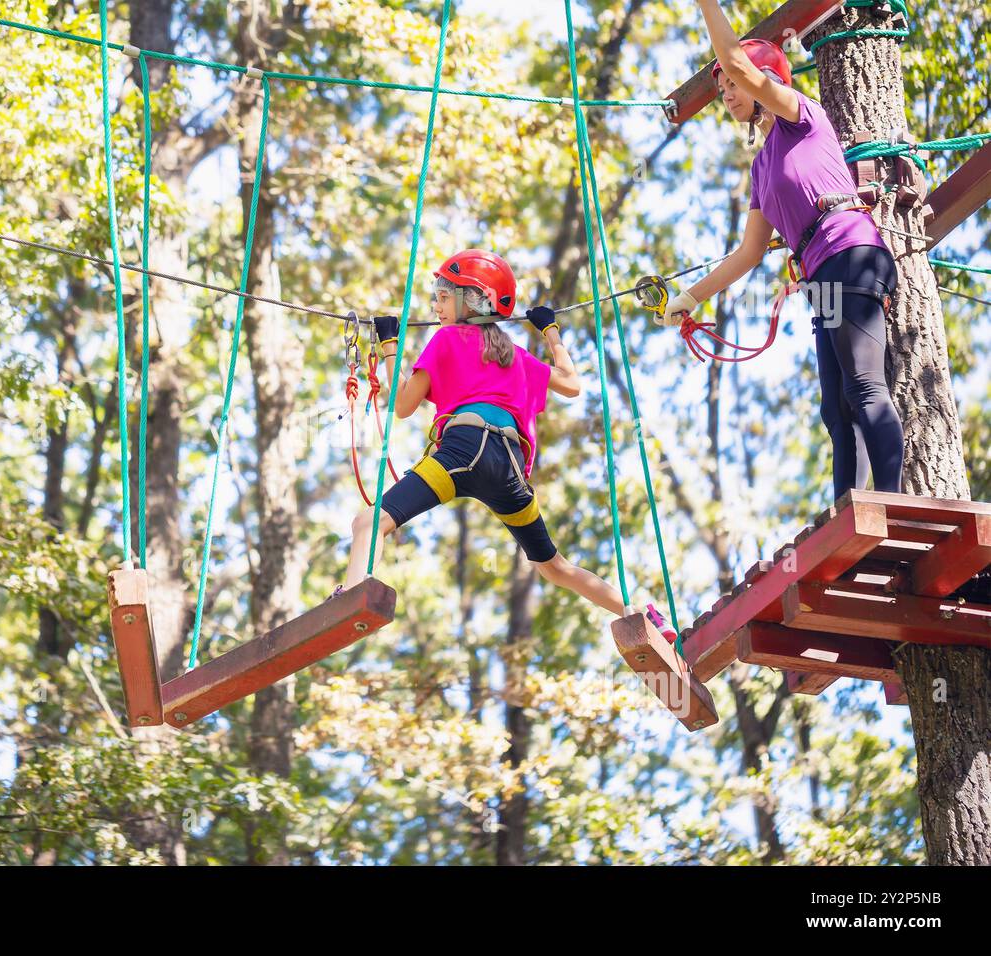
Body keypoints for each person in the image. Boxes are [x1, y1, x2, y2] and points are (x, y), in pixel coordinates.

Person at [338, 248, 672, 632]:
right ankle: (641, 613)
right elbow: (572, 384)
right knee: (554, 567)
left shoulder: (446, 340)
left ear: (473, 301)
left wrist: (389, 344)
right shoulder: (513, 355)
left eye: (444, 297)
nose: (436, 306)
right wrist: (550, 331)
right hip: (509, 468)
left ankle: (353, 596)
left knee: (369, 523)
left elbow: (402, 405)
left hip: (463, 452)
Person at [659, 2, 904, 501]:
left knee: (863, 385)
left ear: (765, 81)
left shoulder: (801, 116)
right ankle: (851, 515)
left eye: (731, 84)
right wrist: (691, 297)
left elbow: (740, 63)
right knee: (835, 410)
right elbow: (748, 253)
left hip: (851, 250)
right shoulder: (761, 169)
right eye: (723, 87)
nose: (727, 92)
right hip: (822, 275)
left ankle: (895, 503)